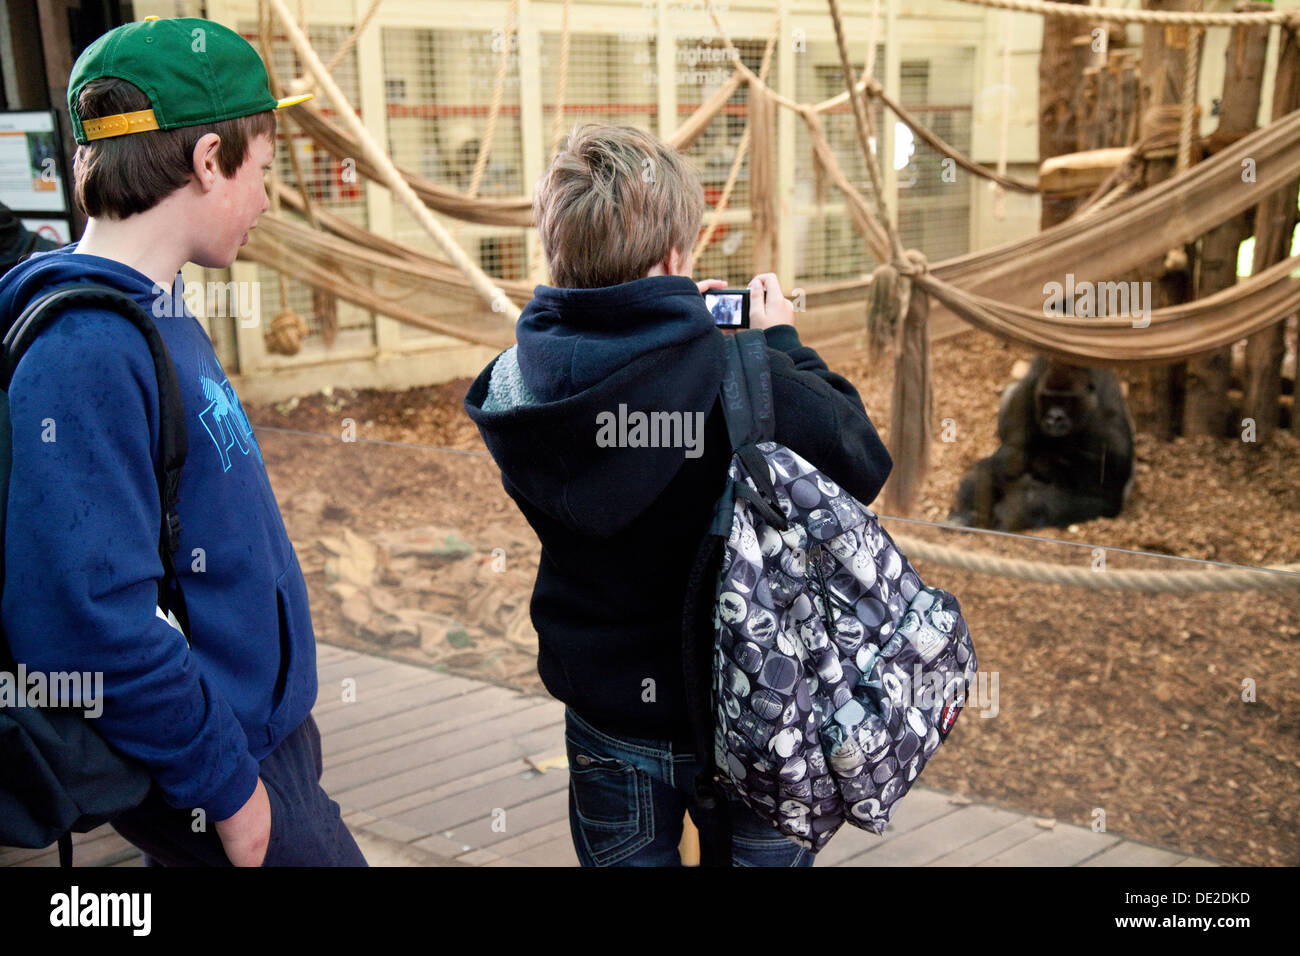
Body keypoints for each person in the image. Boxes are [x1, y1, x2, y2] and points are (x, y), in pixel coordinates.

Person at [463, 123, 893, 866]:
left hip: (605, 719)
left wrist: (654, 325)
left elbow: (605, 378)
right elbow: (862, 457)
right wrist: (781, 343)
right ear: (672, 259)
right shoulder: (747, 374)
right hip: (758, 713)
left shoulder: (518, 382)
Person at [0, 16, 365, 866]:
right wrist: (227, 789)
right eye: (264, 172)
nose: (269, 201)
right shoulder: (85, 351)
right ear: (208, 162)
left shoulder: (156, 307)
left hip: (262, 736)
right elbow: (88, 624)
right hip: (218, 767)